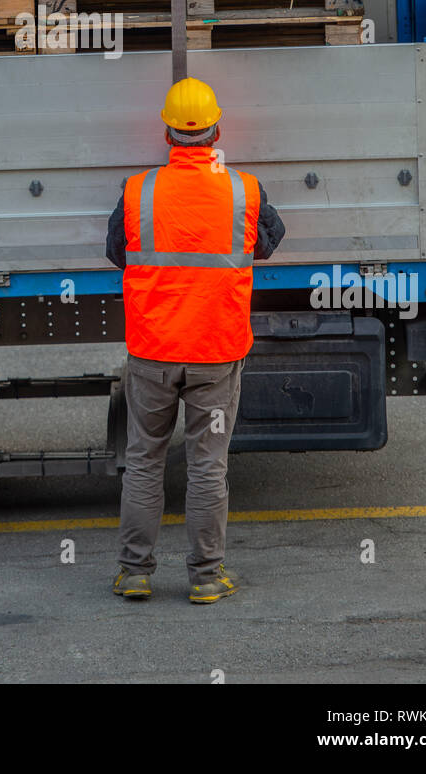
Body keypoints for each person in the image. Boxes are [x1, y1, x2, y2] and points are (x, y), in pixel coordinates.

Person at [105, 75, 285, 603]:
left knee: (143, 460)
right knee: (208, 465)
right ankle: (207, 577)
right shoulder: (244, 190)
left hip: (153, 350)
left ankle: (135, 572)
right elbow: (269, 243)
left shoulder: (138, 191)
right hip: (216, 352)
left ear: (166, 134)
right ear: (216, 131)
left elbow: (118, 251)